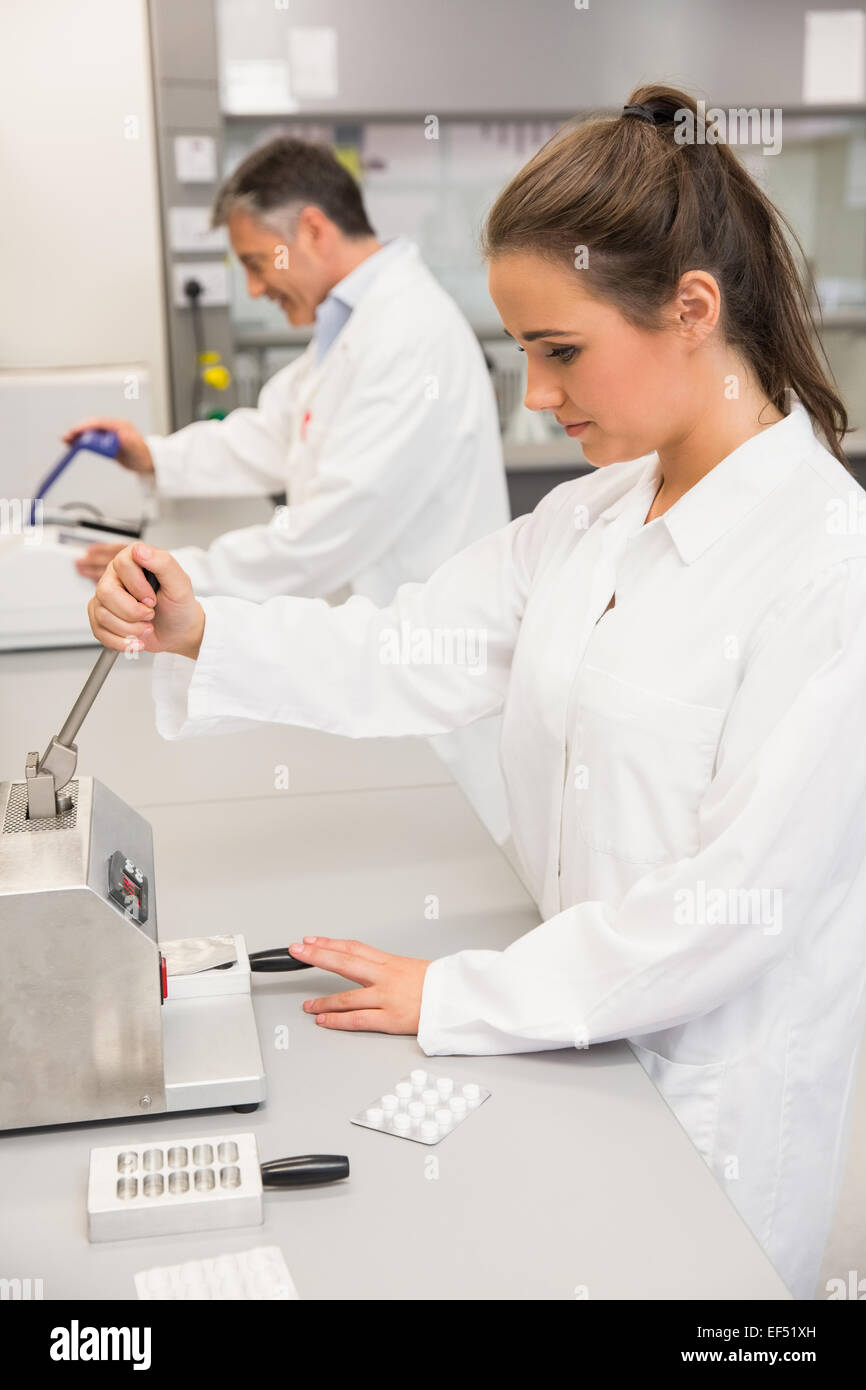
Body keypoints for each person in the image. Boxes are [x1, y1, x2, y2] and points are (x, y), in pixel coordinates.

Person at [88, 85, 866, 1301]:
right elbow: (410, 647)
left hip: (704, 1096)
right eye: (523, 355)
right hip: (565, 1039)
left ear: (692, 310)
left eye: (558, 352)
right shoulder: (592, 515)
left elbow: (727, 909)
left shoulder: (825, 564)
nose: (537, 400)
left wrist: (456, 993)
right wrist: (201, 627)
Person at [65, 135, 511, 841]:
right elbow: (275, 432)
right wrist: (151, 455)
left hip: (428, 701)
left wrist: (177, 579)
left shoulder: (408, 335)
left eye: (254, 263)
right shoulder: (353, 325)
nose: (253, 289)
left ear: (311, 228)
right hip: (368, 668)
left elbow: (324, 536)